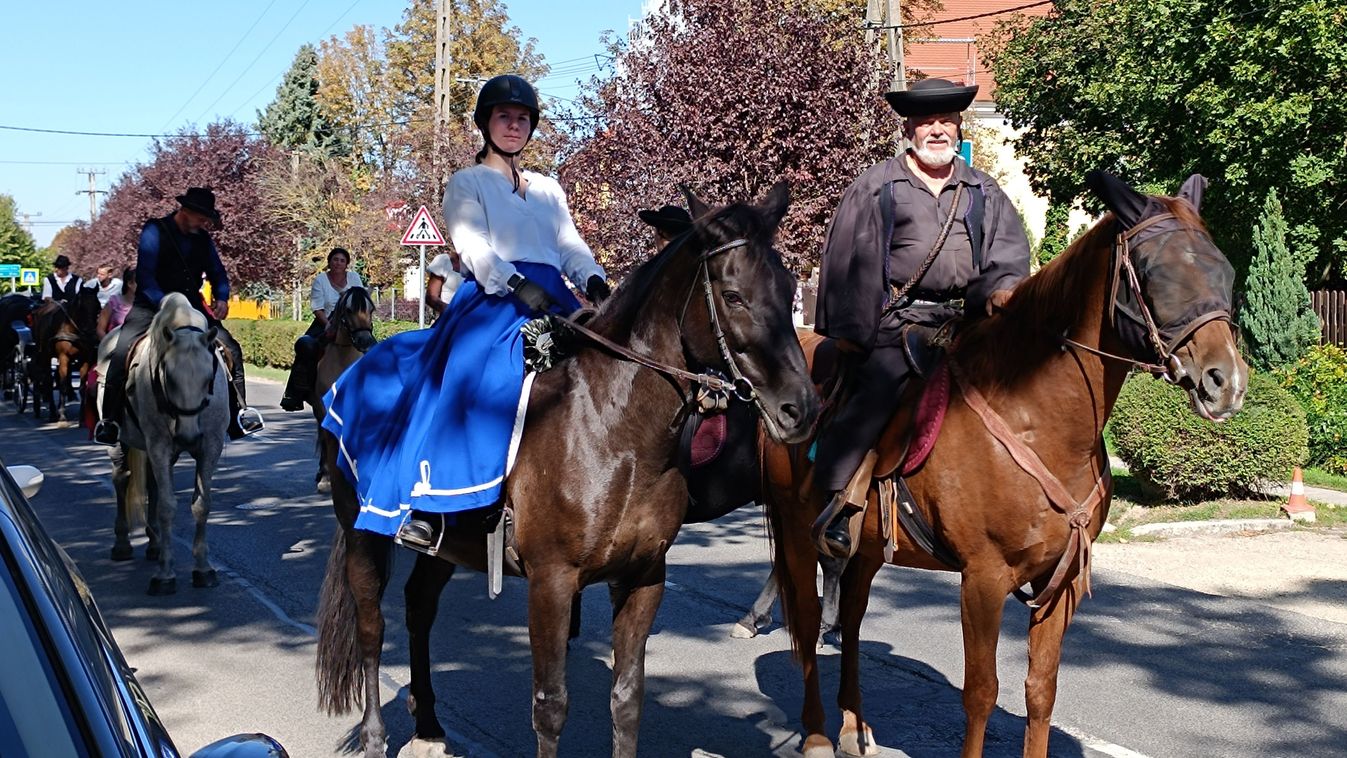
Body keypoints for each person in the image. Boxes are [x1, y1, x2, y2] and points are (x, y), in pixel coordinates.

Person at [321, 74, 610, 545]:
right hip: (496, 300)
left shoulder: (548, 189)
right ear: (485, 124)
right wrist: (515, 283)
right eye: (504, 117)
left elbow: (568, 244)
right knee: (472, 379)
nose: (513, 126)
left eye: (522, 119)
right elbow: (471, 244)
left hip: (556, 296)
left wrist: (593, 280)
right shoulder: (467, 182)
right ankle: (429, 504)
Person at [812, 78, 1032, 557]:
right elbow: (852, 257)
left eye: (946, 121)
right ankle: (835, 501)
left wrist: (1003, 292)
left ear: (958, 128)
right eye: (927, 121)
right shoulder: (878, 187)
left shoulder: (982, 189)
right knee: (875, 392)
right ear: (910, 128)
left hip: (967, 323)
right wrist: (854, 330)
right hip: (897, 320)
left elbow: (1008, 253)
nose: (937, 130)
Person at [94, 187, 263, 445]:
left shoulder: (203, 239)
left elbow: (217, 272)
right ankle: (110, 421)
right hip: (151, 305)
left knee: (231, 350)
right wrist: (164, 301)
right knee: (122, 349)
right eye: (201, 217)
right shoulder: (154, 230)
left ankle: (238, 414)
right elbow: (146, 275)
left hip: (191, 307)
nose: (205, 223)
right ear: (185, 211)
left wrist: (222, 297)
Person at [280, 247, 365, 411]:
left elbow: (360, 301)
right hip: (324, 322)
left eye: (342, 260)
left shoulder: (354, 277)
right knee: (306, 346)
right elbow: (317, 308)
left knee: (371, 347)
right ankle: (295, 393)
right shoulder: (320, 280)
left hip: (351, 324)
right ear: (329, 262)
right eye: (335, 259)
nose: (338, 263)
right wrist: (328, 325)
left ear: (347, 263)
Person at [96, 267, 136, 340]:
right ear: (130, 283)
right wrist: (107, 346)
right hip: (115, 344)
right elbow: (100, 330)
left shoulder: (146, 304)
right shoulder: (114, 302)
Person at [424, 250, 462, 316]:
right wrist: (452, 312)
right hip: (451, 320)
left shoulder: (480, 263)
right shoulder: (444, 261)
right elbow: (431, 297)